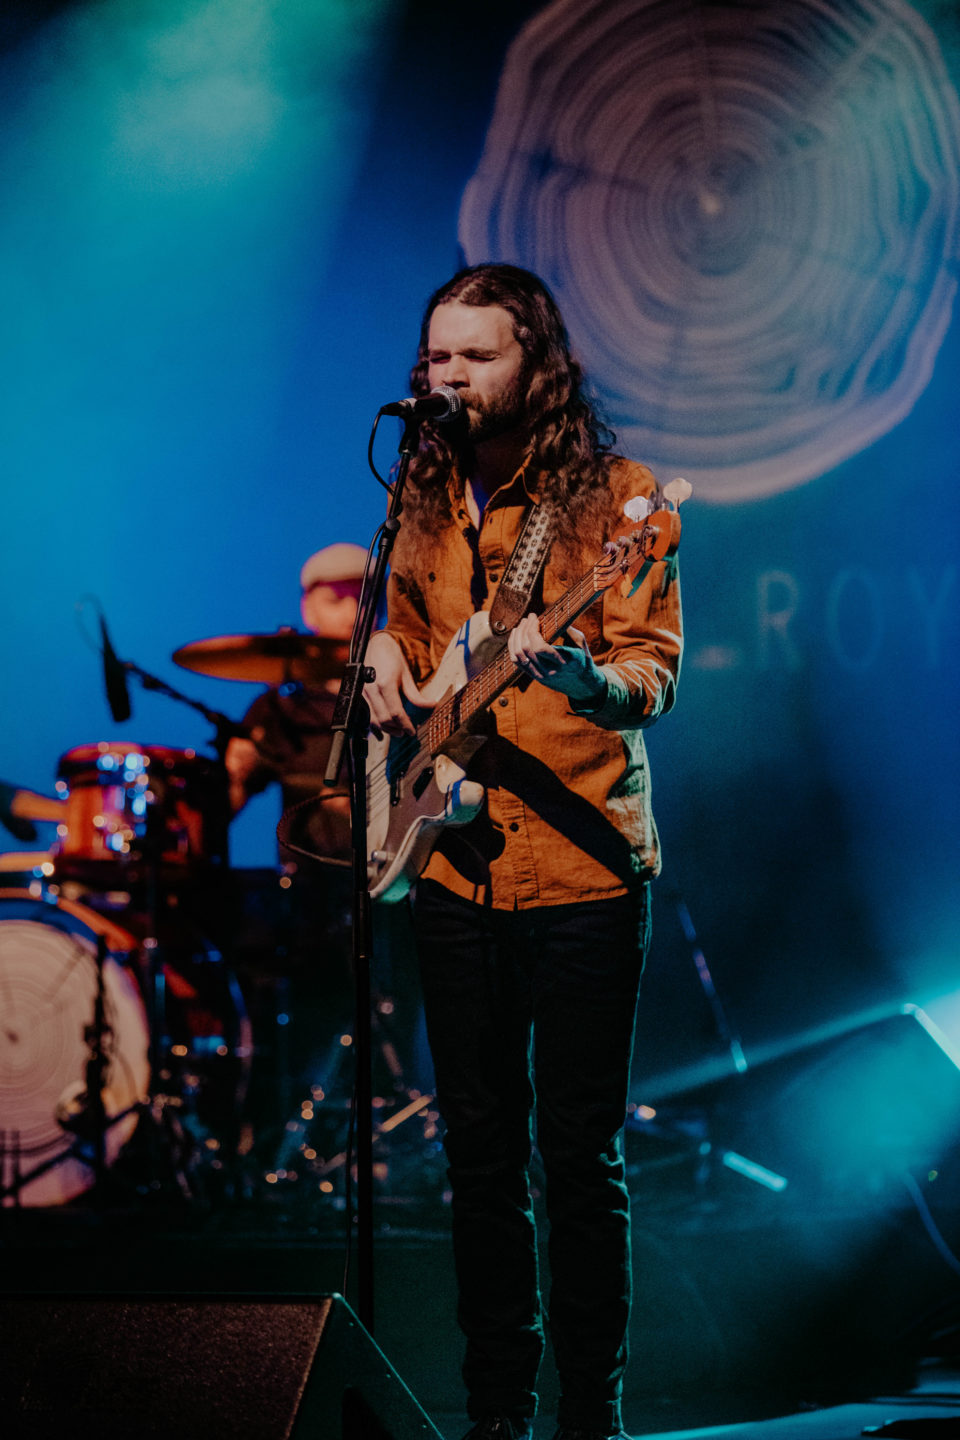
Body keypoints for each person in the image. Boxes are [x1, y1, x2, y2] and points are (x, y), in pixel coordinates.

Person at [363, 265, 683, 1440]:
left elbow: (652, 671)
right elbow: (400, 619)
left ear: (533, 365)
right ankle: (496, 1405)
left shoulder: (616, 500)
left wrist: (583, 677)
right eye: (435, 358)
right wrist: (389, 662)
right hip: (450, 863)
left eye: (474, 358)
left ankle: (588, 1410)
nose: (445, 379)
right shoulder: (424, 479)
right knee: (481, 1157)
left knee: (576, 1153)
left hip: (586, 868)